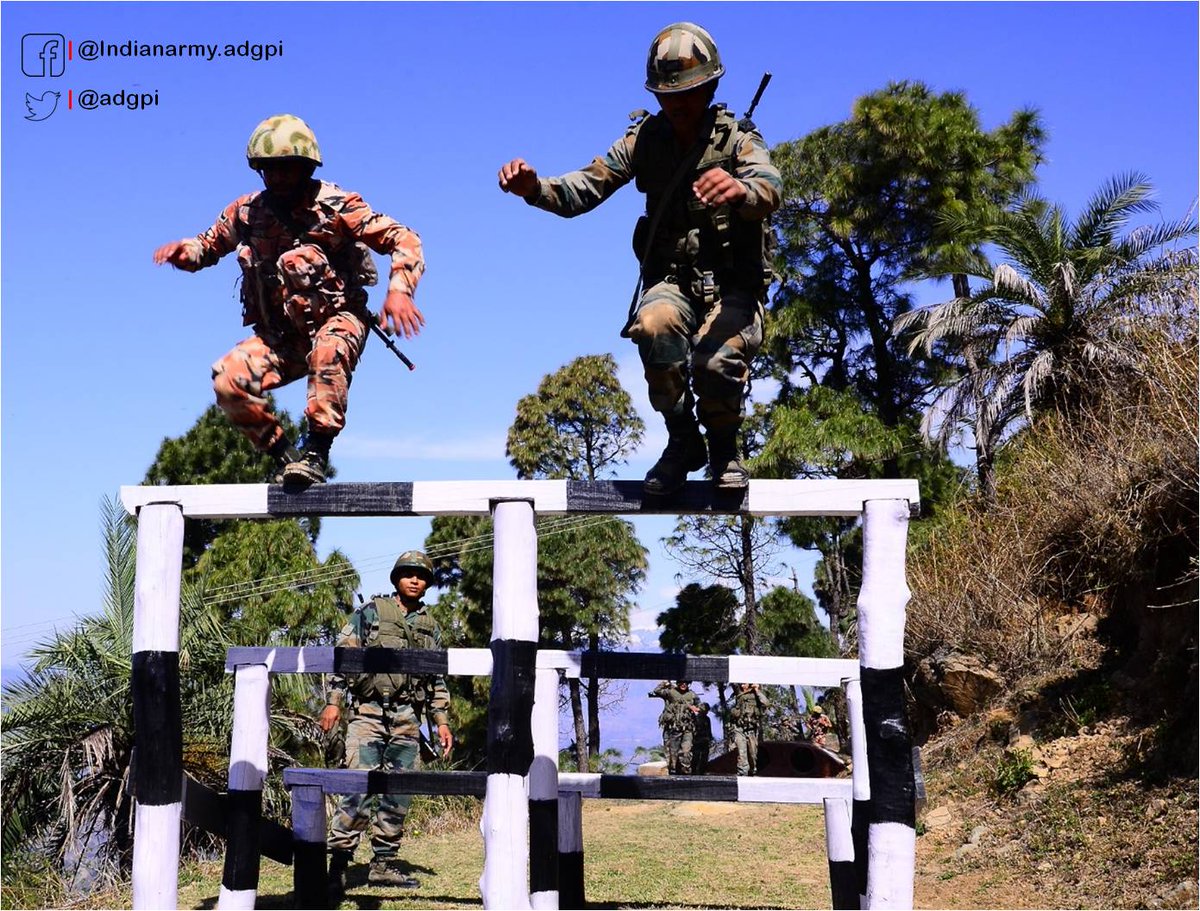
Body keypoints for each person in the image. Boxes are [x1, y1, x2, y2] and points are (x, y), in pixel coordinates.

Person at [498, 23, 782, 495]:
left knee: (714, 364)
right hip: (673, 279)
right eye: (668, 96)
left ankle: (724, 448)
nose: (678, 104)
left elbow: (769, 189)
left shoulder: (737, 141)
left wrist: (740, 190)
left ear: (710, 86)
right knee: (654, 326)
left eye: (689, 93)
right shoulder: (644, 140)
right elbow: (584, 188)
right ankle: (682, 441)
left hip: (734, 284)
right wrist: (535, 189)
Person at [154, 113, 426, 485]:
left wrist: (399, 292)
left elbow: (403, 238)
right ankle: (288, 457)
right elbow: (207, 245)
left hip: (337, 320)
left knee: (328, 351)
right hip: (281, 337)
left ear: (306, 168)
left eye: (287, 168)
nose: (278, 178)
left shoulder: (338, 206)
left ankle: (317, 451)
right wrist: (185, 254)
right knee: (227, 380)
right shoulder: (248, 212)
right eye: (269, 169)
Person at [318, 550, 453, 891]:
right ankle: (338, 866)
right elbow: (343, 656)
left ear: (427, 584)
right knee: (357, 788)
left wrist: (441, 722)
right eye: (408, 573)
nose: (414, 579)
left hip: (408, 718)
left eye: (421, 576)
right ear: (396, 578)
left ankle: (383, 864)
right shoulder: (372, 612)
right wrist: (333, 702)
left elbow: (437, 678)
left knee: (400, 791)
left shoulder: (430, 626)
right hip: (368, 712)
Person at [649, 679, 701, 773]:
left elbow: (700, 706)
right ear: (678, 683)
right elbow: (657, 691)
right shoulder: (670, 692)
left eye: (686, 683)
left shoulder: (692, 695)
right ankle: (673, 772)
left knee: (686, 752)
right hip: (673, 729)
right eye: (681, 682)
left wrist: (697, 708)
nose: (684, 684)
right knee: (672, 754)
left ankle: (686, 773)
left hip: (687, 728)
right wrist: (665, 683)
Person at [729, 682, 768, 776]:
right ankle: (742, 774)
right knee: (741, 755)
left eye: (744, 684)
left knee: (753, 755)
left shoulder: (756, 695)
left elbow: (766, 703)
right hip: (739, 729)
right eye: (741, 684)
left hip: (751, 730)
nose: (742, 686)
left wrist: (757, 690)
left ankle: (753, 772)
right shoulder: (739, 695)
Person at [692, 702, 714, 774]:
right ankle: (694, 771)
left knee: (704, 757)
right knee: (696, 756)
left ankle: (702, 771)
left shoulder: (707, 719)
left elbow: (709, 730)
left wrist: (709, 739)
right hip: (697, 740)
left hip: (705, 740)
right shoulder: (695, 718)